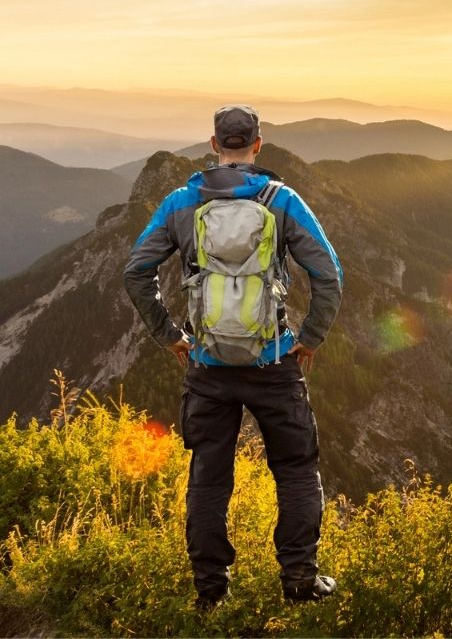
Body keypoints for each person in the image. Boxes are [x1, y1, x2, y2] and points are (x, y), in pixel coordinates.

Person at [123, 105, 343, 609]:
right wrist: (310, 338)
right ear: (258, 144)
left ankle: (210, 593)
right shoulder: (281, 200)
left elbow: (136, 272)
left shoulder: (182, 202)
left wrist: (169, 335)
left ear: (214, 143)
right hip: (274, 364)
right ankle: (299, 580)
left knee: (209, 478)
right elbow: (329, 274)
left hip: (206, 367)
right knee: (294, 470)